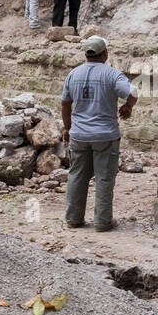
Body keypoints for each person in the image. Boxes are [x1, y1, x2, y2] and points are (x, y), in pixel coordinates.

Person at [61, 35, 137, 232]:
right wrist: (127, 107)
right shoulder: (113, 74)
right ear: (105, 54)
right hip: (105, 135)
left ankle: (73, 219)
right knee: (104, 178)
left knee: (76, 176)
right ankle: (102, 222)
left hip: (79, 135)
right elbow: (133, 92)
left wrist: (67, 128)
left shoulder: (73, 74)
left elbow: (65, 103)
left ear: (87, 54)